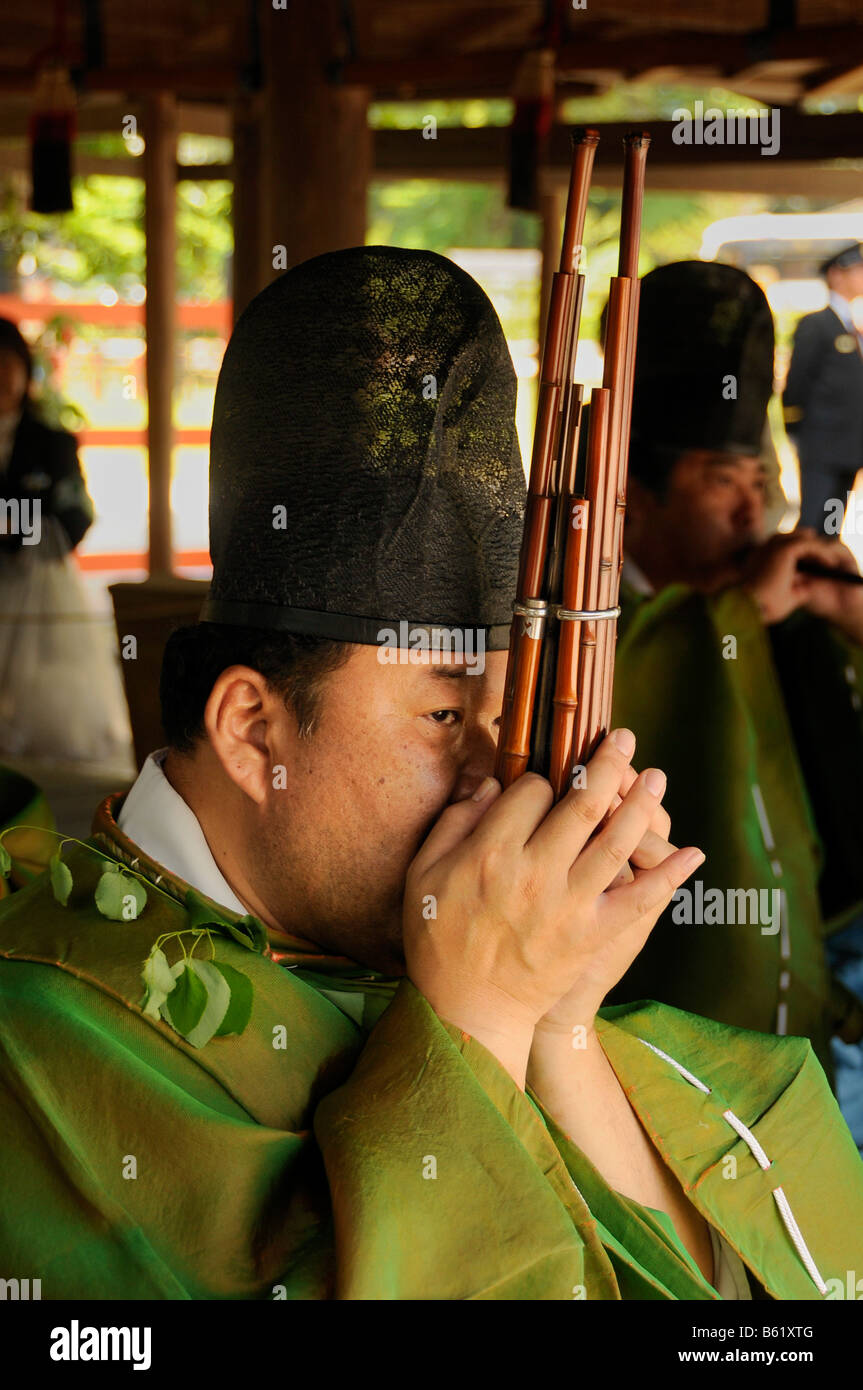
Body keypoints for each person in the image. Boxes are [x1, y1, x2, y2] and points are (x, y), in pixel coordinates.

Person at [0, 248, 860, 1303]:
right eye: (444, 714)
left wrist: (556, 1024)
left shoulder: (422, 941)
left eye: (500, 718)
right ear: (251, 728)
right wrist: (475, 1027)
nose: (493, 783)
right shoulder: (38, 1031)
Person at [609, 260, 863, 1146]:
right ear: (634, 496)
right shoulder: (600, 621)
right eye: (723, 481)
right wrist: (741, 611)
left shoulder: (768, 602)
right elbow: (636, 664)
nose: (752, 508)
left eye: (760, 480)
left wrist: (849, 620)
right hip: (684, 1040)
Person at [0, 316, 130, 761]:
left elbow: (77, 516)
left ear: (24, 369)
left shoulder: (52, 442)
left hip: (41, 595)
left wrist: (17, 523)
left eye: (7, 363)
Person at [783, 242, 863, 534]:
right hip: (821, 448)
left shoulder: (849, 328)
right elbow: (797, 383)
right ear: (836, 275)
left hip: (848, 450)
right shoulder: (817, 325)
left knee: (831, 528)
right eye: (858, 269)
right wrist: (796, 430)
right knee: (811, 526)